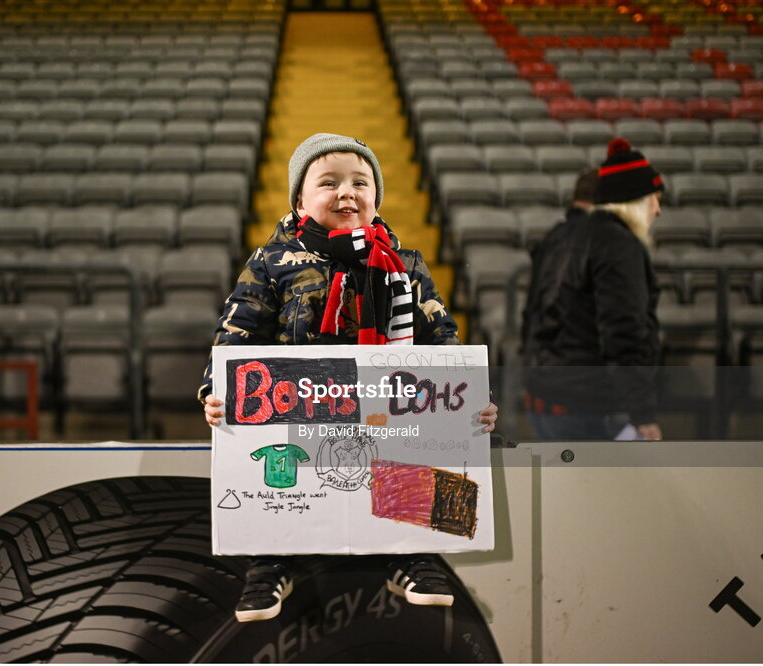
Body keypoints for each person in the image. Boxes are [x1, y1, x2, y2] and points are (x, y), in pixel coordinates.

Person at [198, 133, 498, 622]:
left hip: (382, 408)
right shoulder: (271, 262)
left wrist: (473, 398)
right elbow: (235, 332)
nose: (347, 193)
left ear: (376, 197)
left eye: (361, 182)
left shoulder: (408, 263)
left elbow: (442, 337)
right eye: (329, 182)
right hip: (300, 407)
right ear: (299, 201)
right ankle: (271, 560)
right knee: (279, 476)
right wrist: (217, 389)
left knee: (416, 429)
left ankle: (414, 551)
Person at [520, 138, 663, 442]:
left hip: (547, 394)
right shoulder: (619, 245)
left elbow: (532, 315)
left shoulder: (563, 235)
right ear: (637, 201)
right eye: (654, 199)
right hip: (589, 404)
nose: (658, 210)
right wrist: (643, 413)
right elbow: (625, 332)